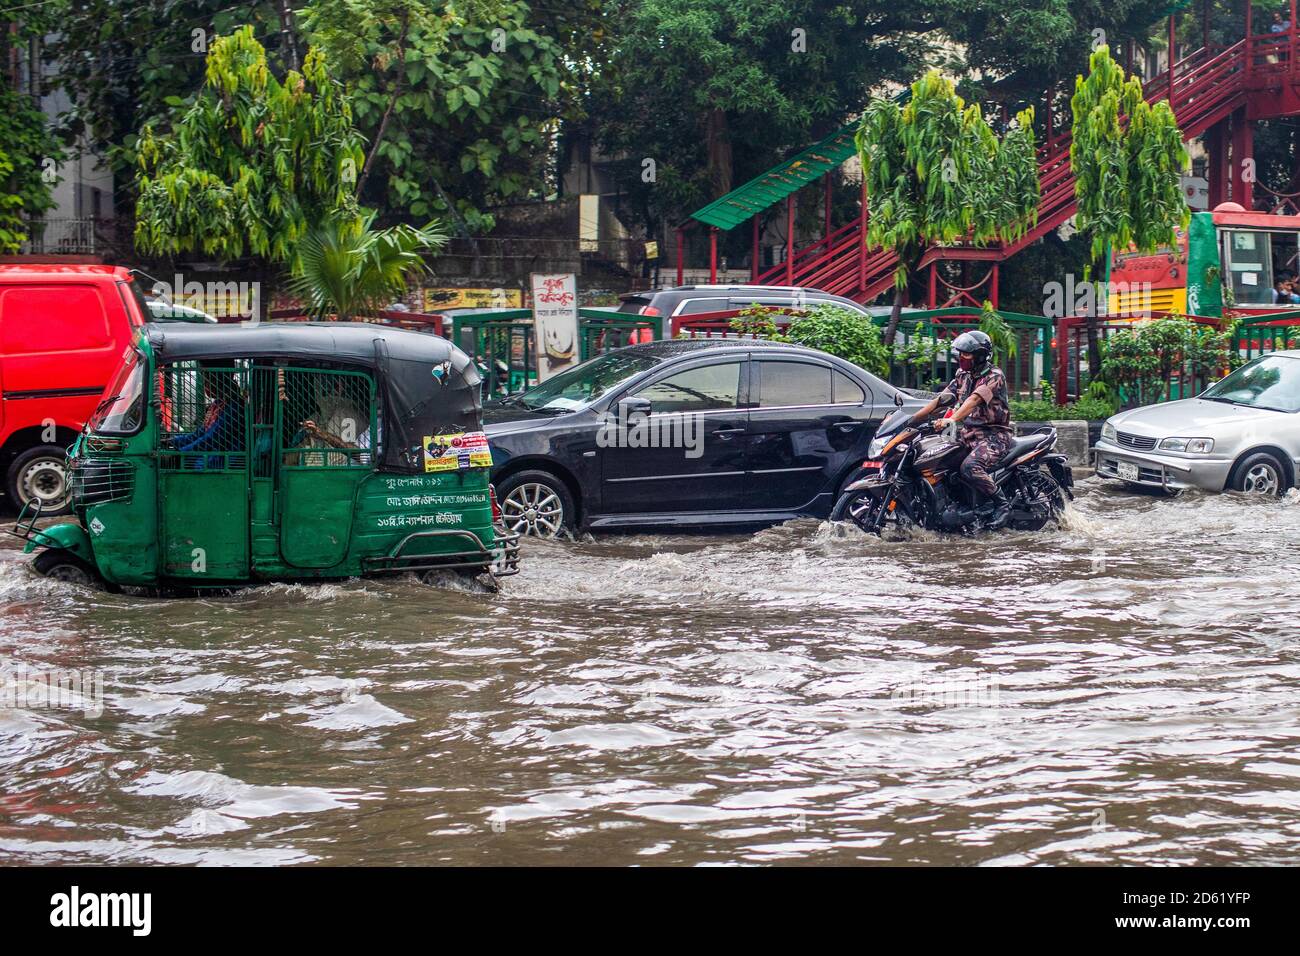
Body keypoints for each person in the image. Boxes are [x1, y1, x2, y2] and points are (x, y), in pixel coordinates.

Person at [911, 330, 1015, 529]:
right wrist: (913, 420)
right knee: (939, 459)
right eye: (960, 354)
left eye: (966, 354)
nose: (961, 358)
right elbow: (941, 400)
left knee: (970, 467)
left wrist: (950, 420)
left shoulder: (994, 376)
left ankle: (1002, 504)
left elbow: (972, 401)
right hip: (969, 434)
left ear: (980, 356)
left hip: (994, 437)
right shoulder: (963, 375)